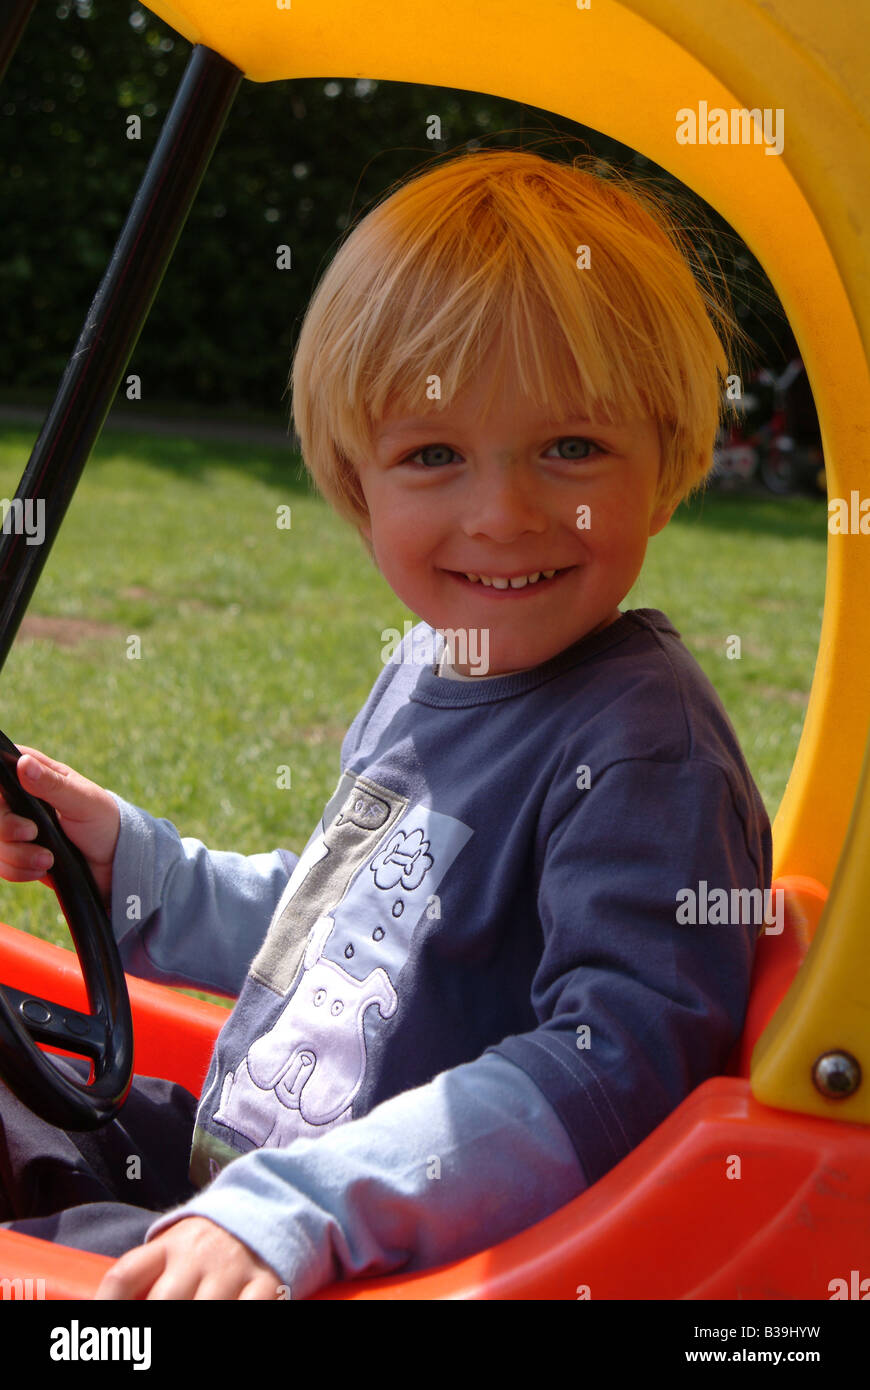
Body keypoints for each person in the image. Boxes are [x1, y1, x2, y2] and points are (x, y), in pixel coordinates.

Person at [0, 148, 771, 1300]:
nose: (502, 512)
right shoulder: (426, 666)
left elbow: (617, 1068)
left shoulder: (641, 742)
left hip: (384, 1247)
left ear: (667, 458)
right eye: (433, 454)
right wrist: (129, 859)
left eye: (571, 446)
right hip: (246, 1173)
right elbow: (350, 927)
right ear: (358, 485)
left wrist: (301, 1205)